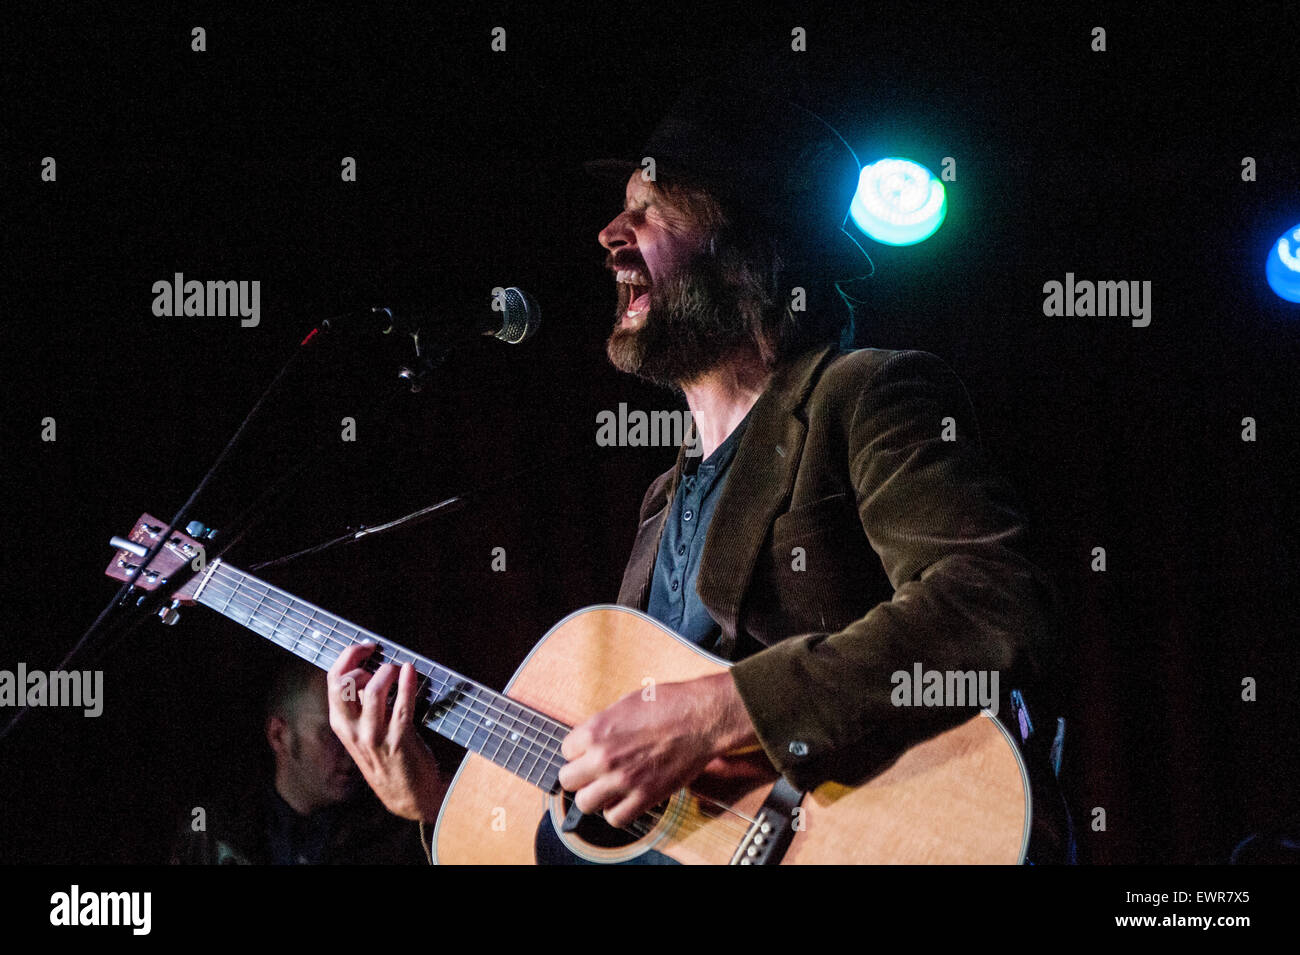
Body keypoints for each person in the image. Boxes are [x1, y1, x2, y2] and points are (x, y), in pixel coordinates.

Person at [326, 81, 1074, 864]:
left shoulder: (864, 393)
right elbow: (644, 828)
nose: (613, 235)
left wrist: (722, 711)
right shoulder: (663, 501)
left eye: (652, 210)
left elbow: (992, 599)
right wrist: (432, 802)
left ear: (749, 249)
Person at [171, 657, 426, 864]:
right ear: (278, 734)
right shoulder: (215, 828)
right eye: (333, 734)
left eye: (355, 731)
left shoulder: (394, 833)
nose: (352, 750)